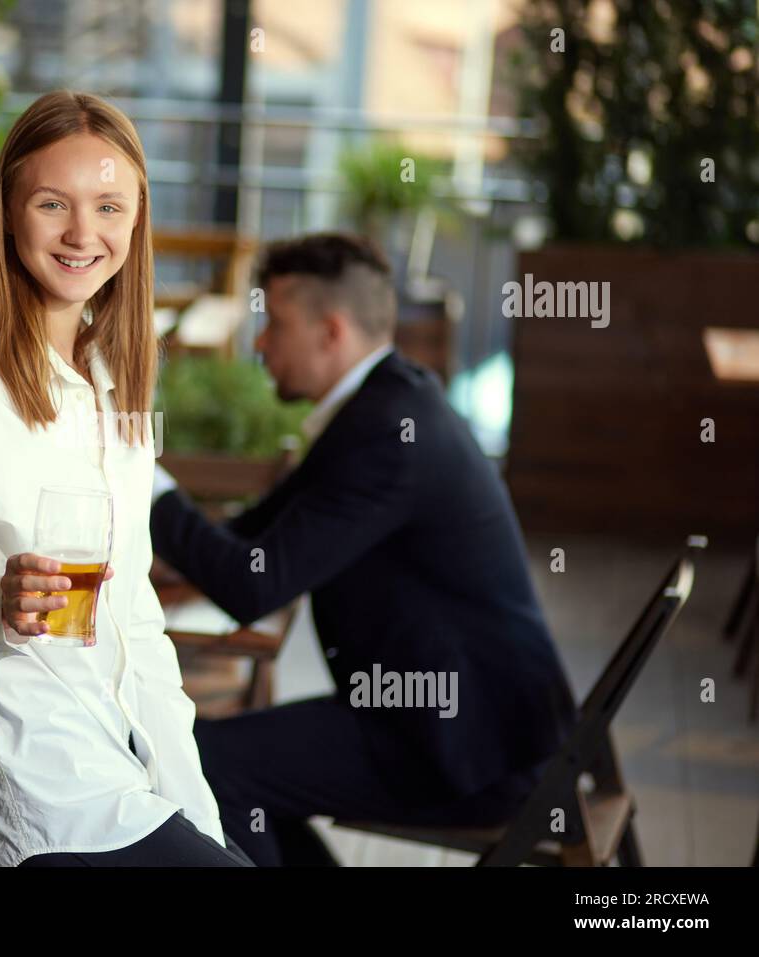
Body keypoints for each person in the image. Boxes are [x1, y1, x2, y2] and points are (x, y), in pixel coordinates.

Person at [0, 90, 253, 867]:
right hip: (39, 796)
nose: (81, 233)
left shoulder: (114, 379)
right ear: (7, 214)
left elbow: (132, 614)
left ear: (136, 222)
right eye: (53, 203)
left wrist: (197, 808)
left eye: (108, 206)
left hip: (131, 771)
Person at [149, 233, 577, 866]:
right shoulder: (387, 402)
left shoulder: (384, 433)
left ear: (331, 330)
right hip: (446, 716)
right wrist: (151, 546)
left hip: (469, 748)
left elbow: (253, 586)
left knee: (207, 764)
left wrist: (144, 484)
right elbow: (256, 534)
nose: (260, 343)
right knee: (218, 761)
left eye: (275, 324)